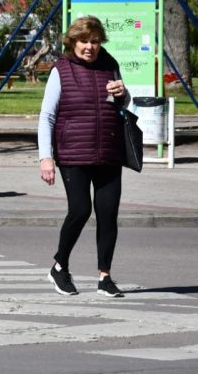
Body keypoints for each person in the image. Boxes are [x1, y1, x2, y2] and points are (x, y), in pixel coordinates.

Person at [38, 16, 129, 298]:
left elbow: (121, 105)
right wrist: (45, 157)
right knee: (80, 210)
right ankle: (59, 266)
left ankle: (105, 276)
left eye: (95, 41)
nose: (90, 47)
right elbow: (47, 116)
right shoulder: (61, 70)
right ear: (73, 42)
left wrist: (123, 94)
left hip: (109, 152)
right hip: (73, 153)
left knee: (108, 214)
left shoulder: (110, 66)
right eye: (84, 41)